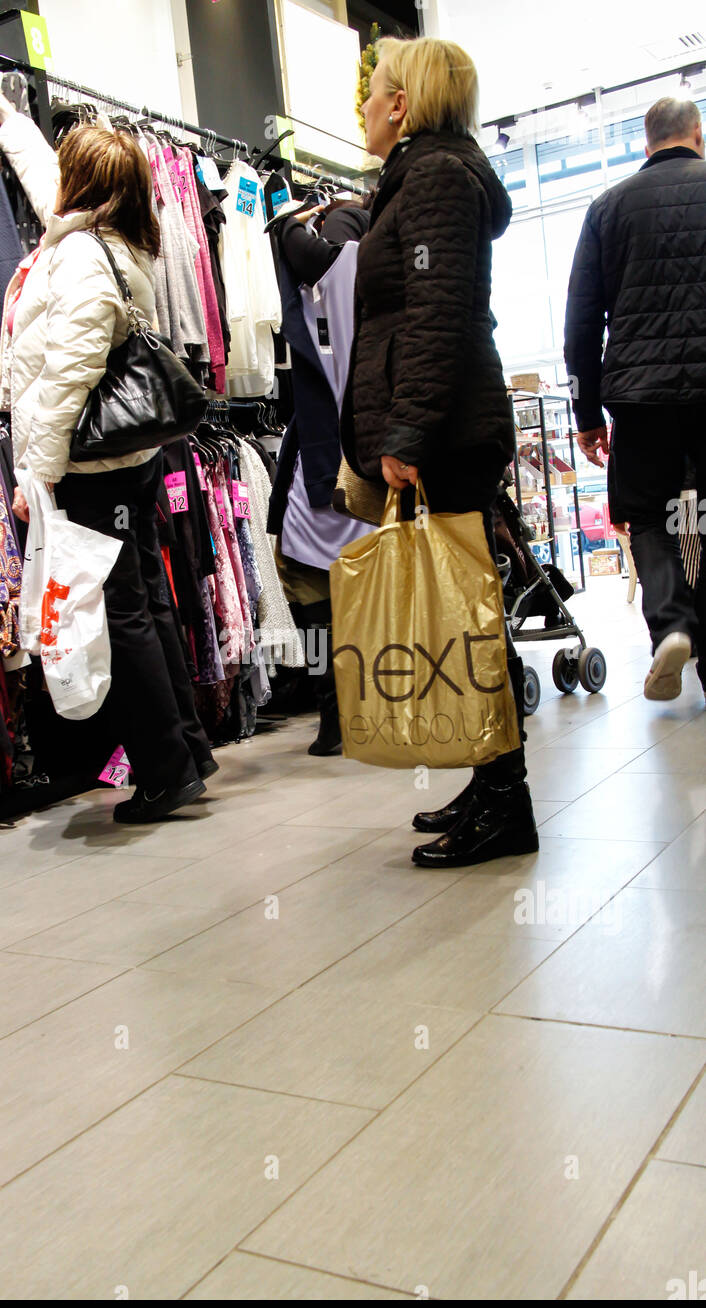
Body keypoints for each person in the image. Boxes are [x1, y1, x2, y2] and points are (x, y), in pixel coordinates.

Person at [0, 79, 216, 822]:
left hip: (91, 468)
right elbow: (45, 181)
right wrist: (10, 119)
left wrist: (35, 475)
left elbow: (66, 378)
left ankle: (165, 772)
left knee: (123, 615)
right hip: (128, 464)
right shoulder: (104, 235)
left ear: (86, 186)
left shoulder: (82, 257)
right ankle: (185, 752)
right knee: (142, 600)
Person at [341, 35, 537, 869]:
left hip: (446, 432)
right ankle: (490, 779)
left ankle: (506, 802)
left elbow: (437, 311)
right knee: (466, 610)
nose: (364, 105)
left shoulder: (433, 177)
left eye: (374, 89)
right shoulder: (426, 174)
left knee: (468, 616)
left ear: (405, 104)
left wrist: (407, 433)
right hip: (447, 427)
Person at [564, 96, 706, 701]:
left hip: (639, 397)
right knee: (700, 514)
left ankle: (672, 624)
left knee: (649, 515)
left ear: (644, 144)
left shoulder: (606, 207)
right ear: (697, 135)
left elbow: (580, 324)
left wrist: (587, 414)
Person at [266, 195, 375, 757]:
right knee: (360, 596)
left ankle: (333, 710)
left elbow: (289, 240)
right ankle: (358, 706)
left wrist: (292, 217)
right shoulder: (380, 273)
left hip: (323, 462)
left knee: (313, 593)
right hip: (359, 467)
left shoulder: (345, 261)